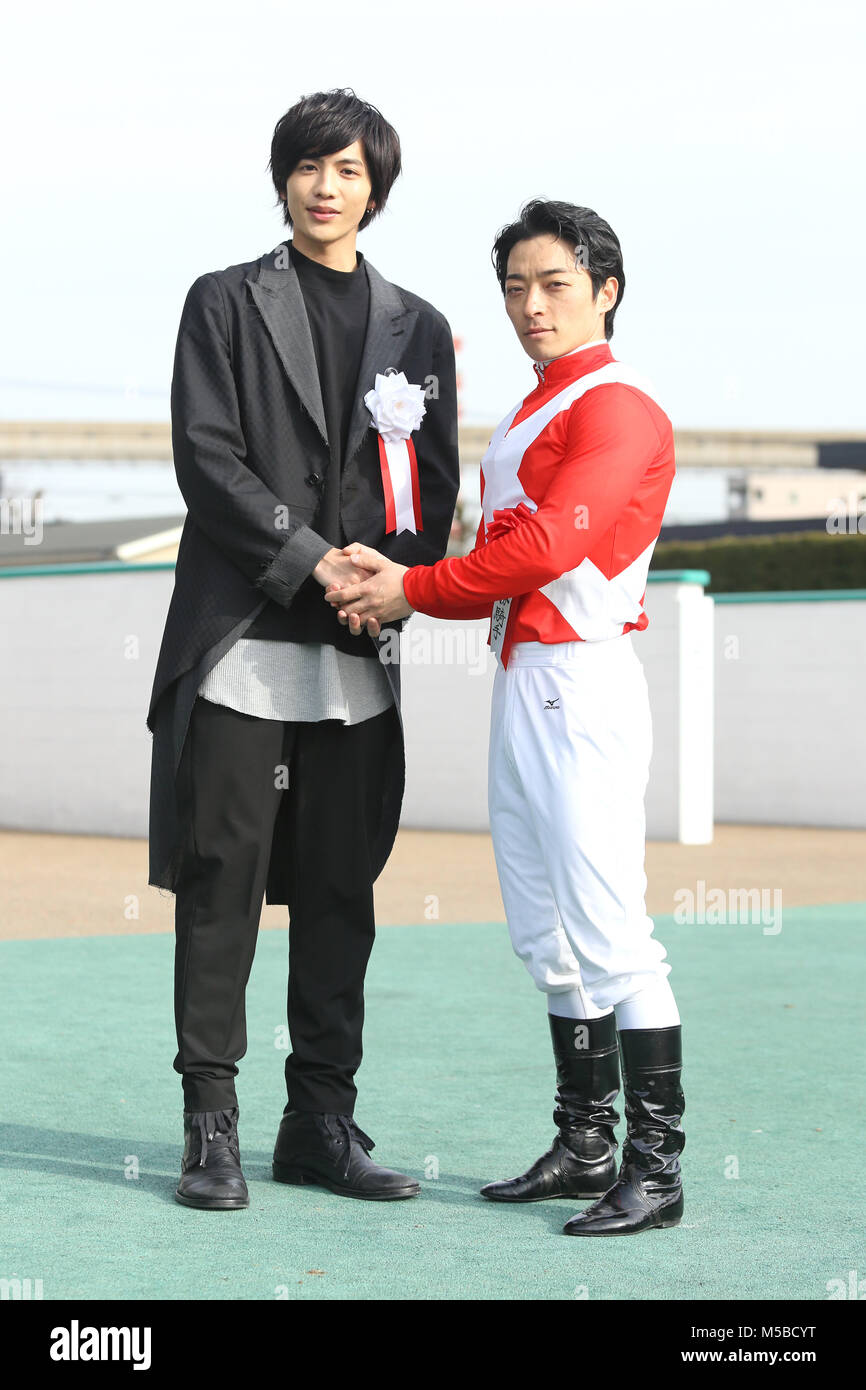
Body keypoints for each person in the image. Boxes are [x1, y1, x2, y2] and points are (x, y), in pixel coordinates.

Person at [324, 199, 685, 1237]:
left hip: (583, 678)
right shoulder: (532, 406)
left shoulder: (618, 405)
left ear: (605, 290)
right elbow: (500, 555)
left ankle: (657, 1171)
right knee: (543, 932)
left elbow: (548, 547)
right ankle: (585, 1145)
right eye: (516, 287)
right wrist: (397, 575)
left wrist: (409, 588)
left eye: (555, 284)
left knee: (614, 936)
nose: (533, 304)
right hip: (525, 677)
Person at [146, 89, 460, 1209]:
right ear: (282, 179)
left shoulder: (419, 326)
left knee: (340, 888)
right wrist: (314, 560)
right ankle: (210, 1125)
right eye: (309, 167)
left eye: (349, 170)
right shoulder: (225, 301)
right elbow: (208, 459)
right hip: (243, 638)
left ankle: (319, 1123)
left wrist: (392, 583)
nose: (327, 187)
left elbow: (430, 485)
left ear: (377, 189)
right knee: (220, 883)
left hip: (355, 653)